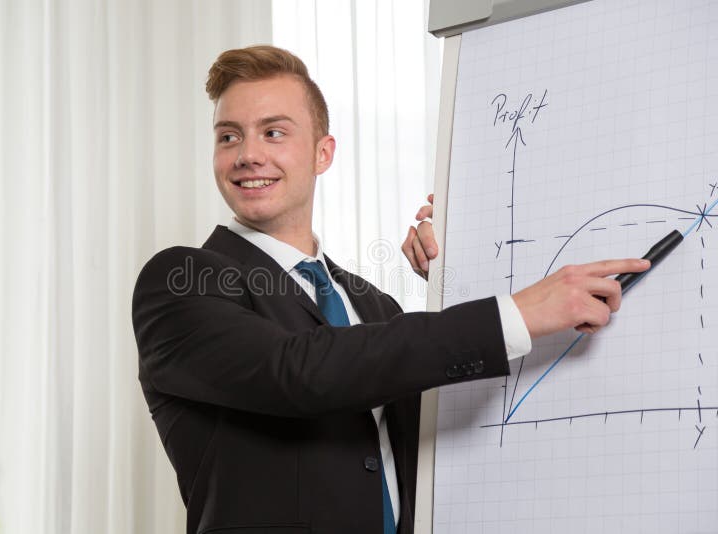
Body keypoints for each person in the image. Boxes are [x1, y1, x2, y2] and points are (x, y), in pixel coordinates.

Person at [131, 45, 649, 534]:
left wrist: (459, 273)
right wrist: (510, 313)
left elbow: (439, 413)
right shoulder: (181, 282)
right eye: (228, 136)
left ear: (322, 153)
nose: (247, 154)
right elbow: (299, 371)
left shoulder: (373, 304)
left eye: (273, 132)